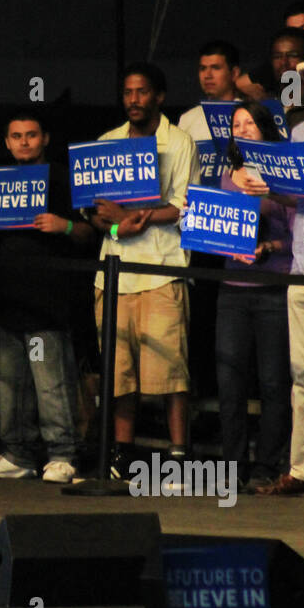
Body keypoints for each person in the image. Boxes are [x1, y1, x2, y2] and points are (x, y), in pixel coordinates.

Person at [0, 110, 92, 482]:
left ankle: (63, 454)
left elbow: (91, 233)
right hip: (5, 298)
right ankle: (18, 455)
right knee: (10, 383)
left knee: (51, 383)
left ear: (45, 138)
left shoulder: (62, 180)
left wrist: (64, 225)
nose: (24, 142)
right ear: (6, 142)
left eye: (31, 135)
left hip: (48, 300)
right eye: (16, 136)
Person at [89, 63, 200, 478]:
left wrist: (141, 216)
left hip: (163, 268)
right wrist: (117, 223)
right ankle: (122, 454)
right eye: (128, 93)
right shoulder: (107, 142)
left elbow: (184, 205)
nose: (133, 100)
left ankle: (177, 456)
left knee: (171, 370)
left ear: (159, 96)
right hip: (114, 271)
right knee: (119, 373)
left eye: (141, 92)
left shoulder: (180, 141)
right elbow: (97, 212)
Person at [231, 45, 304, 494]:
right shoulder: (300, 132)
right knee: (303, 375)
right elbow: (295, 199)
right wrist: (273, 188)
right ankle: (303, 471)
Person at [214, 102, 293, 491]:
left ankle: (265, 465)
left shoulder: (282, 177)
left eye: (249, 123)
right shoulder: (226, 175)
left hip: (274, 290)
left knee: (274, 383)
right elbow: (216, 231)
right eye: (236, 124)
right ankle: (231, 465)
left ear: (266, 129)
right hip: (232, 290)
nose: (242, 129)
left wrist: (269, 246)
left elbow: (302, 236)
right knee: (230, 382)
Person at [178, 39, 243, 143]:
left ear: (234, 73)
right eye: (203, 68)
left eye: (216, 68)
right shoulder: (188, 119)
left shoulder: (251, 115)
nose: (207, 75)